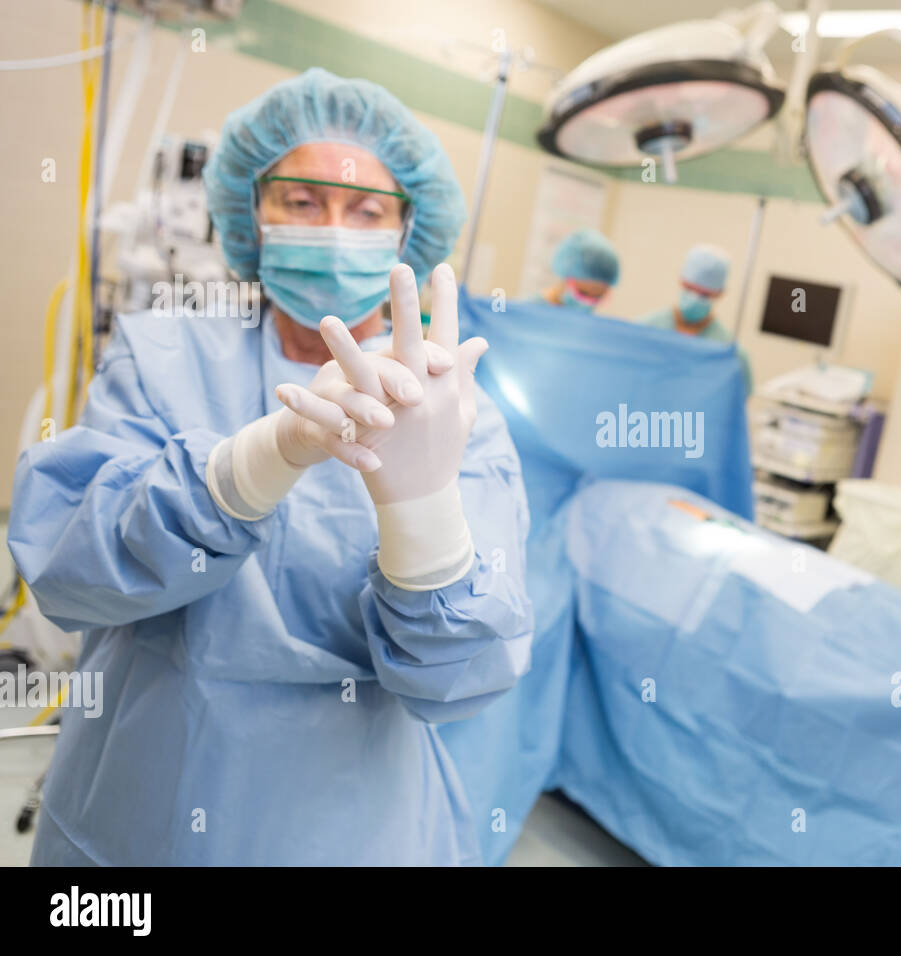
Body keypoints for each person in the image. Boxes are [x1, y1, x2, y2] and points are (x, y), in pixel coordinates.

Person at [7, 68, 533, 865]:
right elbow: (67, 572)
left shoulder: (454, 413)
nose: (332, 228)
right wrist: (248, 468)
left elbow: (463, 682)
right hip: (139, 812)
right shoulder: (163, 353)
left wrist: (422, 509)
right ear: (251, 213)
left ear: (405, 233)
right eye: (301, 201)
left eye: (365, 210)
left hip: (351, 826)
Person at [639, 244, 752, 393]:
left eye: (704, 294)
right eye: (690, 289)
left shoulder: (729, 353)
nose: (694, 298)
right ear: (681, 280)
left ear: (720, 293)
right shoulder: (643, 330)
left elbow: (737, 404)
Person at [537, 228, 619, 312]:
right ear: (566, 280)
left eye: (598, 297)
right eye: (583, 293)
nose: (588, 303)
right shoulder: (532, 312)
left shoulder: (587, 321)